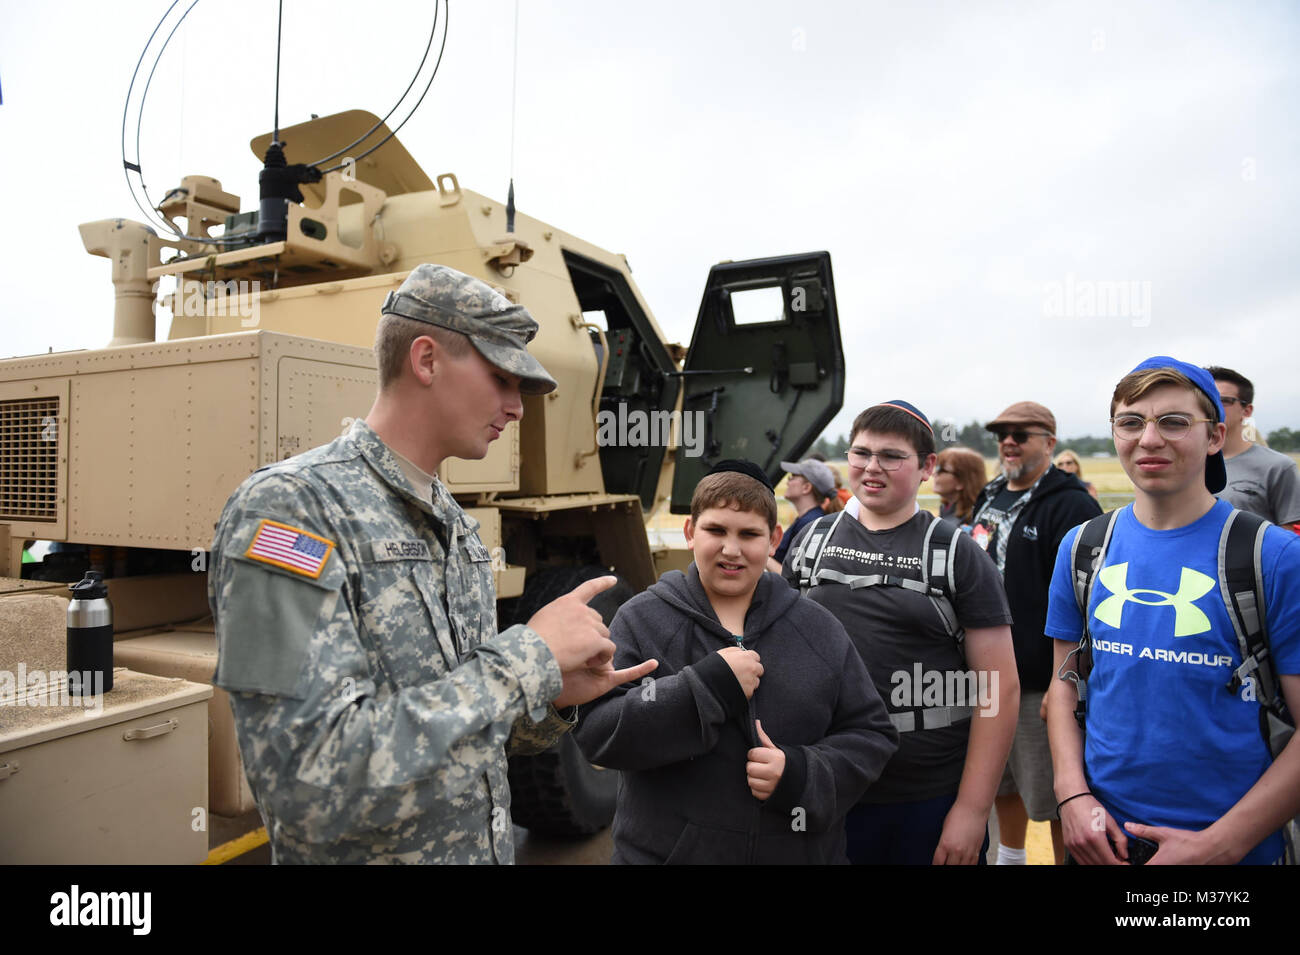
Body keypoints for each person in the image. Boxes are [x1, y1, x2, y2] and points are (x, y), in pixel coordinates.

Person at [208, 264, 657, 864]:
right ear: (426, 360)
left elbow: (472, 729)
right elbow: (306, 787)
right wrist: (523, 661)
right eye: (502, 378)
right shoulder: (289, 511)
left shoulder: (453, 522)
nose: (517, 408)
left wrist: (550, 694)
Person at [574, 460, 898, 863]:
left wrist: (801, 774)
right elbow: (599, 733)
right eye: (716, 530)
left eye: (749, 534)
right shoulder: (640, 620)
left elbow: (872, 734)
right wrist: (705, 689)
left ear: (774, 539)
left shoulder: (818, 627)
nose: (732, 549)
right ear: (691, 532)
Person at [1045, 356, 1300, 865]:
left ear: (1215, 436)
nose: (1150, 439)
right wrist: (1073, 798)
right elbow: (1064, 685)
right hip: (1101, 843)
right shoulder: (1082, 548)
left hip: (1233, 851)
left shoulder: (1272, 556)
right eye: (1131, 422)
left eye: (1174, 422)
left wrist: (1221, 845)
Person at [782, 400, 1019, 865]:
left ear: (927, 466)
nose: (872, 467)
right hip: (829, 786)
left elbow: (999, 688)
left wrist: (972, 811)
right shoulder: (812, 541)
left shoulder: (956, 552)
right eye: (861, 453)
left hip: (927, 797)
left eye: (891, 456)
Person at [970, 402, 1102, 865]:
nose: (1008, 441)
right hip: (984, 675)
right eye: (1001, 433)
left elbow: (1085, 602)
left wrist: (1059, 683)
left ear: (1049, 441)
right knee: (1001, 781)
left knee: (1053, 792)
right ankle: (1012, 857)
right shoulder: (988, 495)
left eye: (1020, 434)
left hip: (1036, 679)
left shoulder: (1072, 503)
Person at [1205, 366, 1300, 531]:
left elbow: (1289, 538)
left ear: (1246, 410)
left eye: (1224, 400)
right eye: (1207, 398)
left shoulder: (1278, 466)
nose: (1213, 406)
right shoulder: (1184, 463)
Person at [767, 457, 842, 572]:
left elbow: (792, 578)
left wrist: (762, 555)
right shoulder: (808, 520)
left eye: (792, 477)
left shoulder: (810, 525)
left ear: (806, 487)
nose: (788, 481)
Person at [932, 446, 988, 528]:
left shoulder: (974, 524)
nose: (934, 474)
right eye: (937, 468)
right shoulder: (946, 510)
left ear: (962, 480)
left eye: (942, 470)